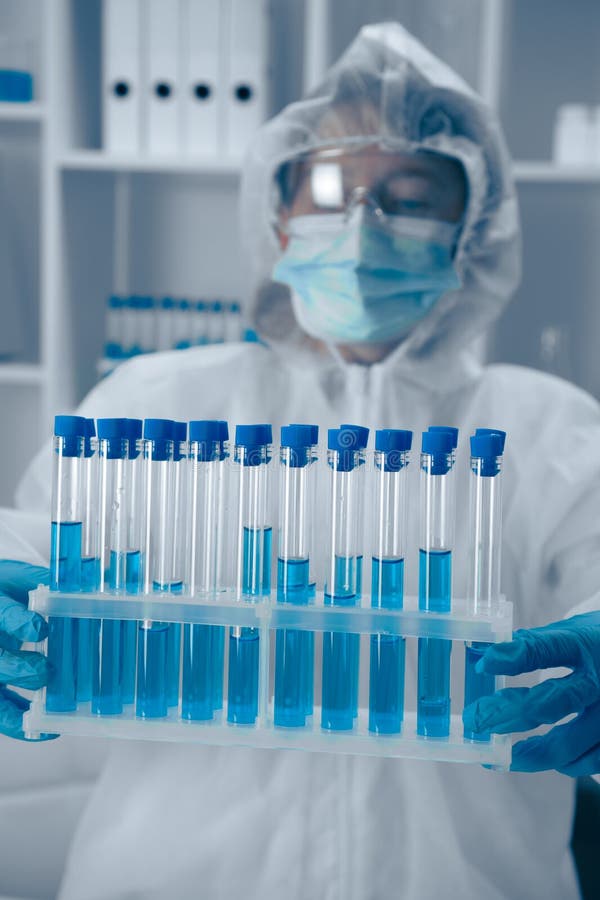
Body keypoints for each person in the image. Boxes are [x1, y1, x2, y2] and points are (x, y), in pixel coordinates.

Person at [1, 21, 600, 899]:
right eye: (328, 186)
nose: (362, 221)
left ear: (471, 225)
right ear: (277, 214)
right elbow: (28, 551)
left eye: (410, 194)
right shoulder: (151, 403)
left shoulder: (549, 428)